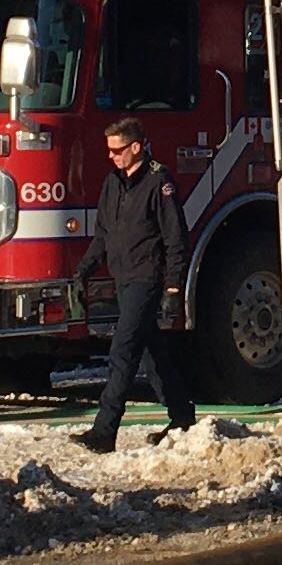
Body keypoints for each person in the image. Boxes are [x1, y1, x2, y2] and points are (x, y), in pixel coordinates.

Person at [81, 113, 194, 451]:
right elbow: (104, 233)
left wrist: (173, 287)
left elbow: (176, 239)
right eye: (109, 151)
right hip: (122, 276)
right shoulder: (112, 183)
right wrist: (84, 269)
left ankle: (105, 431)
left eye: (117, 150)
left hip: (147, 278)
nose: (111, 156)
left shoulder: (159, 183)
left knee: (123, 350)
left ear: (135, 147)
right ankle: (182, 415)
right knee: (151, 351)